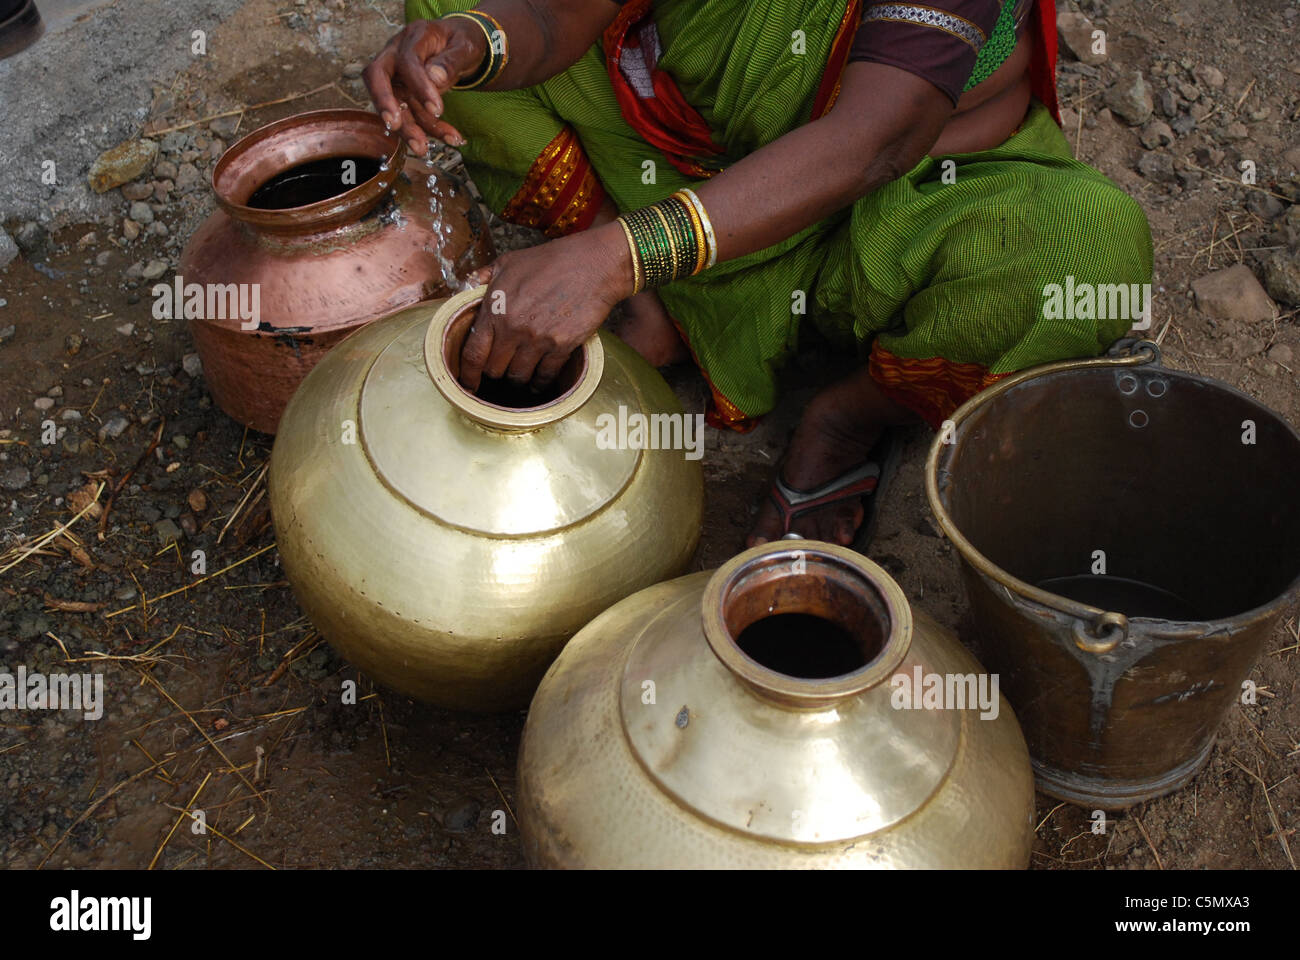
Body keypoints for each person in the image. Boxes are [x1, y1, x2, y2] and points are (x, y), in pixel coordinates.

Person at [364, 0, 1152, 549]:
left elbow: (875, 139)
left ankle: (848, 415)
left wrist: (624, 255)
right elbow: (552, 15)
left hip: (895, 202)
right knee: (455, 8)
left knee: (1087, 248)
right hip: (685, 158)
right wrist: (469, 39)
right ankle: (656, 295)